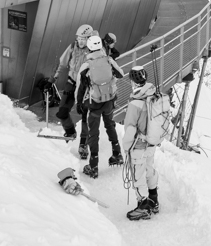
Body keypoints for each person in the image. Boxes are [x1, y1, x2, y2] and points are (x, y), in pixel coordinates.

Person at [75, 34, 125, 178]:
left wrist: (79, 103)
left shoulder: (86, 66)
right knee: (110, 126)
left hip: (94, 103)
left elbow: (80, 88)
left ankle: (93, 166)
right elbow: (121, 74)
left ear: (89, 48)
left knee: (93, 133)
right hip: (109, 101)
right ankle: (117, 154)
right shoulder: (109, 60)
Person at [122, 66, 160, 220]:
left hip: (138, 146)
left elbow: (130, 129)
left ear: (133, 82)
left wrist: (126, 147)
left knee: (138, 176)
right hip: (151, 143)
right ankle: (154, 200)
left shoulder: (135, 103)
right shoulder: (154, 96)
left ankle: (143, 206)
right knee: (149, 171)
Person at [52, 24, 95, 156]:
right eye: (79, 38)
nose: (80, 41)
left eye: (83, 38)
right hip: (71, 82)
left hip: (85, 86)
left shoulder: (94, 51)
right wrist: (54, 77)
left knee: (84, 115)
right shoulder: (72, 47)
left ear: (89, 38)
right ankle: (70, 131)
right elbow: (63, 63)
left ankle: (83, 144)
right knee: (62, 111)